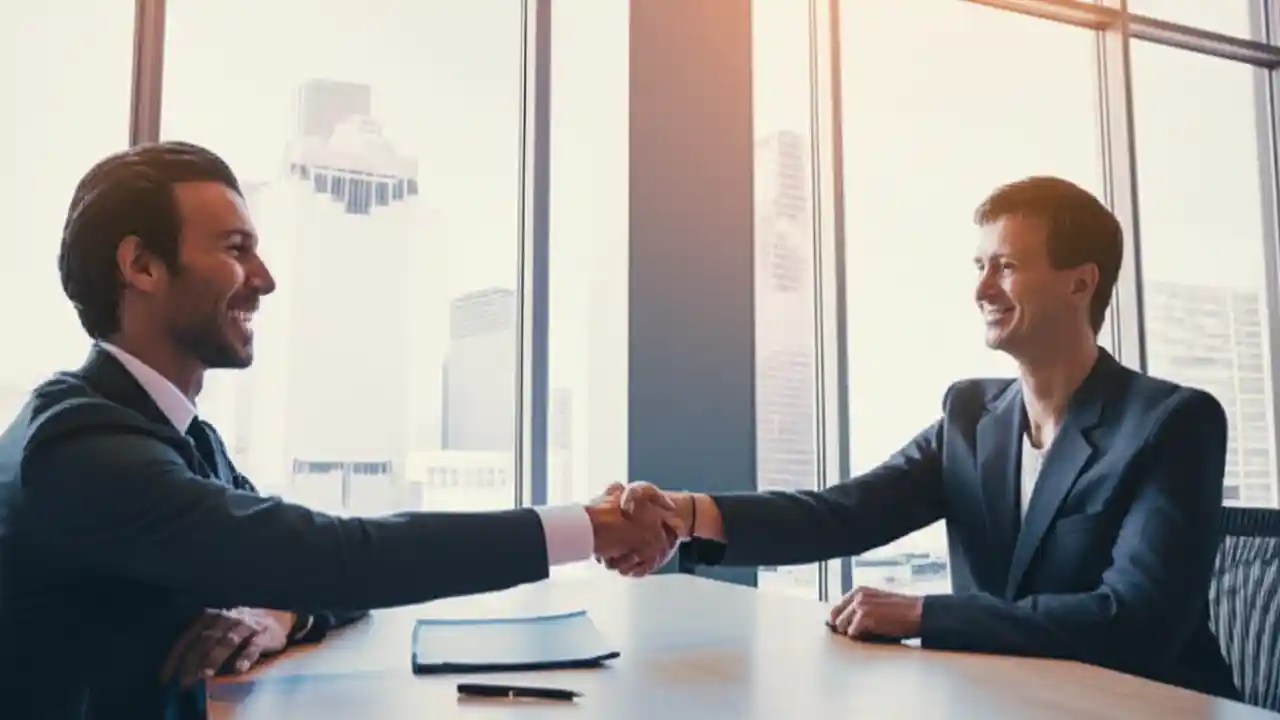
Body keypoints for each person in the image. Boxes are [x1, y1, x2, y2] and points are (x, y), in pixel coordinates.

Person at [0, 141, 678, 719]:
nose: (263, 280)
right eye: (237, 249)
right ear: (141, 266)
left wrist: (280, 614)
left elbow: (297, 566)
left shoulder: (178, 436)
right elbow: (330, 557)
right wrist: (591, 527)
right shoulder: (78, 449)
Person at [608, 176, 1239, 700]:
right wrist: (686, 514)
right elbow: (842, 515)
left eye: (1008, 266)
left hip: (1151, 708)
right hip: (1014, 702)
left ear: (1081, 282)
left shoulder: (1172, 423)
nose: (982, 289)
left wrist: (922, 613)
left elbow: (1135, 623)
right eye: (980, 266)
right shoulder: (972, 416)